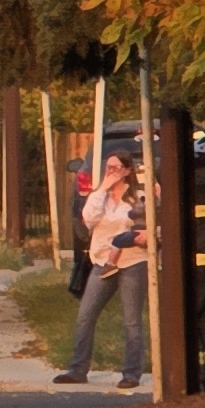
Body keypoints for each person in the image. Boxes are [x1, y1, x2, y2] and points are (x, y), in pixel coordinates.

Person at [58, 150, 149, 387]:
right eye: (108, 168)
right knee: (85, 316)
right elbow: (88, 219)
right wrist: (101, 189)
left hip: (132, 261)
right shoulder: (100, 197)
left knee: (131, 321)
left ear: (127, 171)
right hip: (103, 262)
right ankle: (78, 369)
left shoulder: (139, 197)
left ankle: (131, 373)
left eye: (116, 168)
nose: (111, 172)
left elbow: (148, 228)